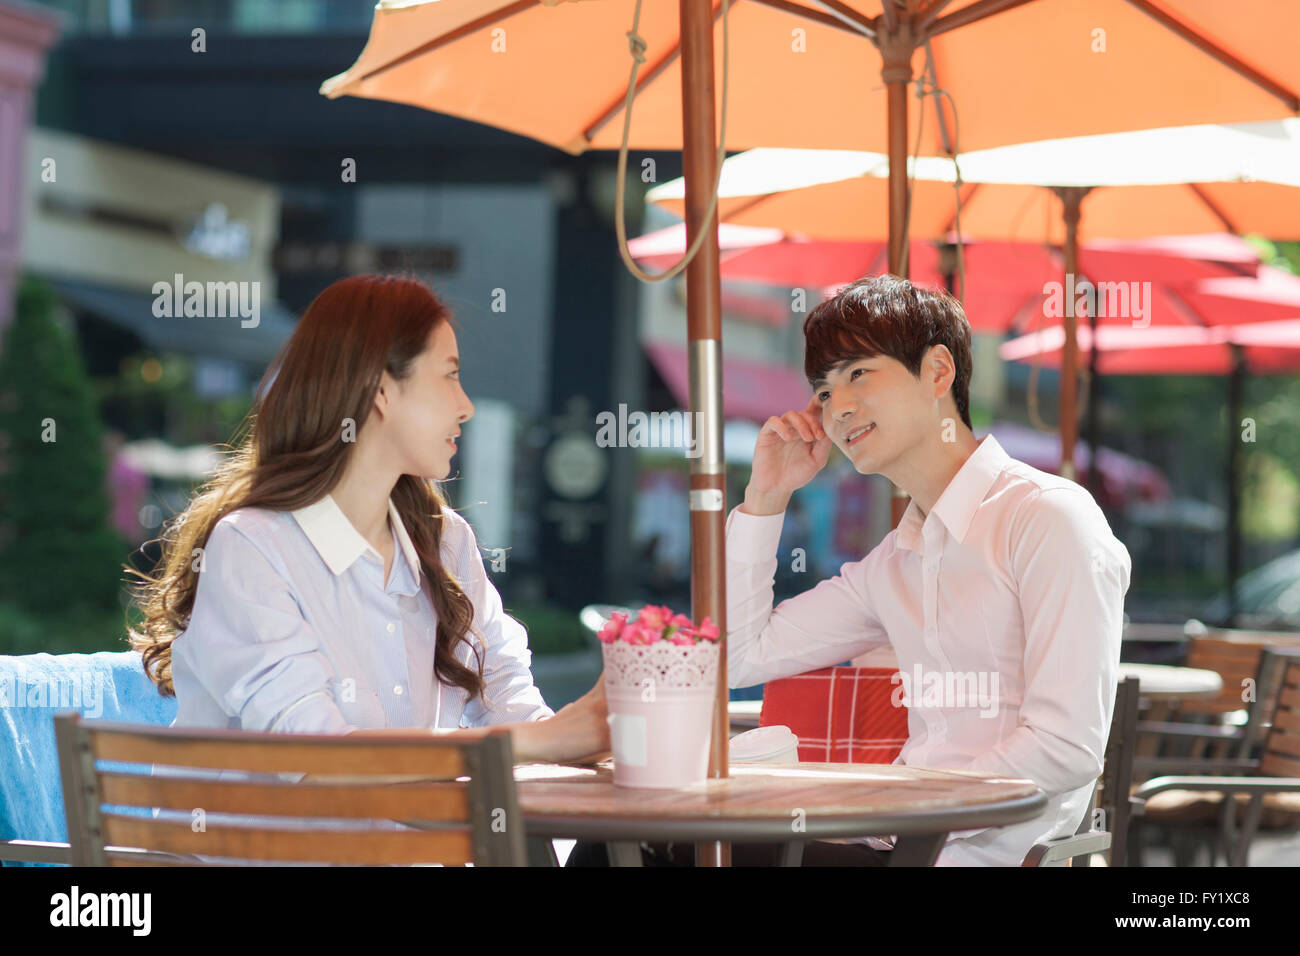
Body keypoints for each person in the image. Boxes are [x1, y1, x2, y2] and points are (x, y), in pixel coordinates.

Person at [724, 274, 1131, 866]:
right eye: (823, 390)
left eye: (858, 374)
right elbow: (742, 656)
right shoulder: (898, 559)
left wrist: (907, 814)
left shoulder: (1046, 517)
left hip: (978, 855)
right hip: (898, 842)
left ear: (939, 372)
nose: (837, 407)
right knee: (643, 847)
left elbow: (1065, 746)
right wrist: (765, 499)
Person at [129, 274, 608, 766]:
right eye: (449, 375)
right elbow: (315, 757)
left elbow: (505, 697)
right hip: (273, 843)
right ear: (380, 390)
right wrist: (541, 743)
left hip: (414, 841)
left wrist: (594, 730)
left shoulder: (444, 541)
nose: (465, 407)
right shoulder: (251, 547)